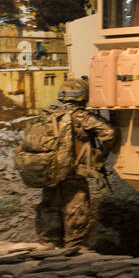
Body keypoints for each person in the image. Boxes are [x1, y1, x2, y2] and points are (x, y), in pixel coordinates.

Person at [34, 79, 116, 254]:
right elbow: (109, 133)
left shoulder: (47, 114)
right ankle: (73, 247)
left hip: (50, 171)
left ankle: (50, 245)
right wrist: (99, 155)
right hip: (74, 172)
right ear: (83, 96)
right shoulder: (81, 116)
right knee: (76, 208)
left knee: (50, 206)